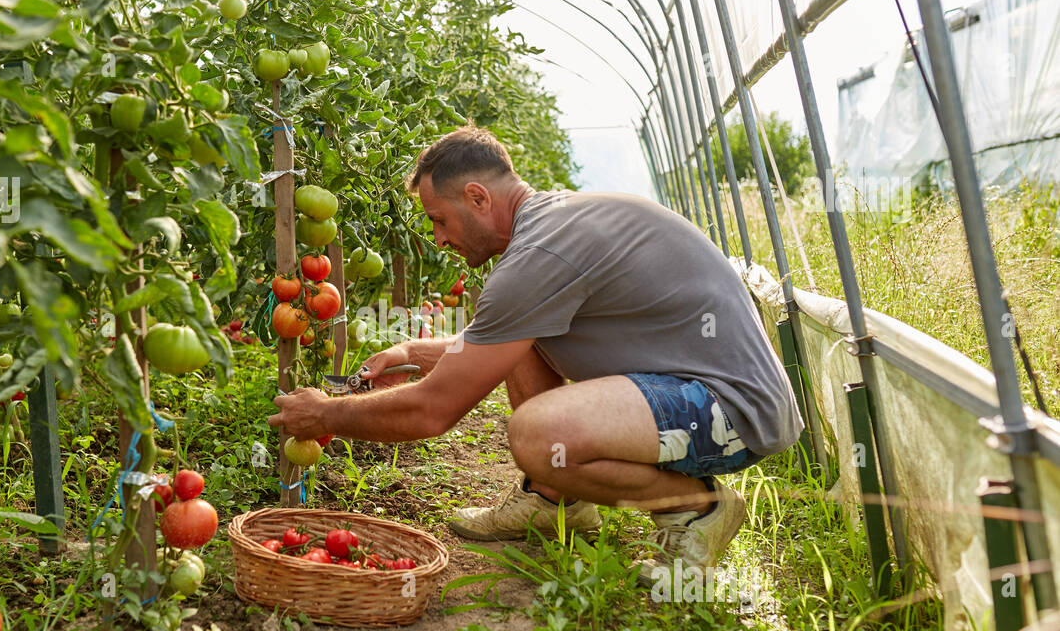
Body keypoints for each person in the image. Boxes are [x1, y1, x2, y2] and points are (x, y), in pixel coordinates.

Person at [269, 126, 803, 573]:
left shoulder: (539, 253)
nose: (437, 238)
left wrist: (324, 413)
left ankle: (697, 508)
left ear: (478, 198)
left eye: (439, 219)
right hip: (699, 388)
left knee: (538, 436)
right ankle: (557, 502)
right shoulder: (551, 227)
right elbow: (494, 343)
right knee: (521, 344)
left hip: (732, 410)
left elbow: (434, 411)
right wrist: (407, 352)